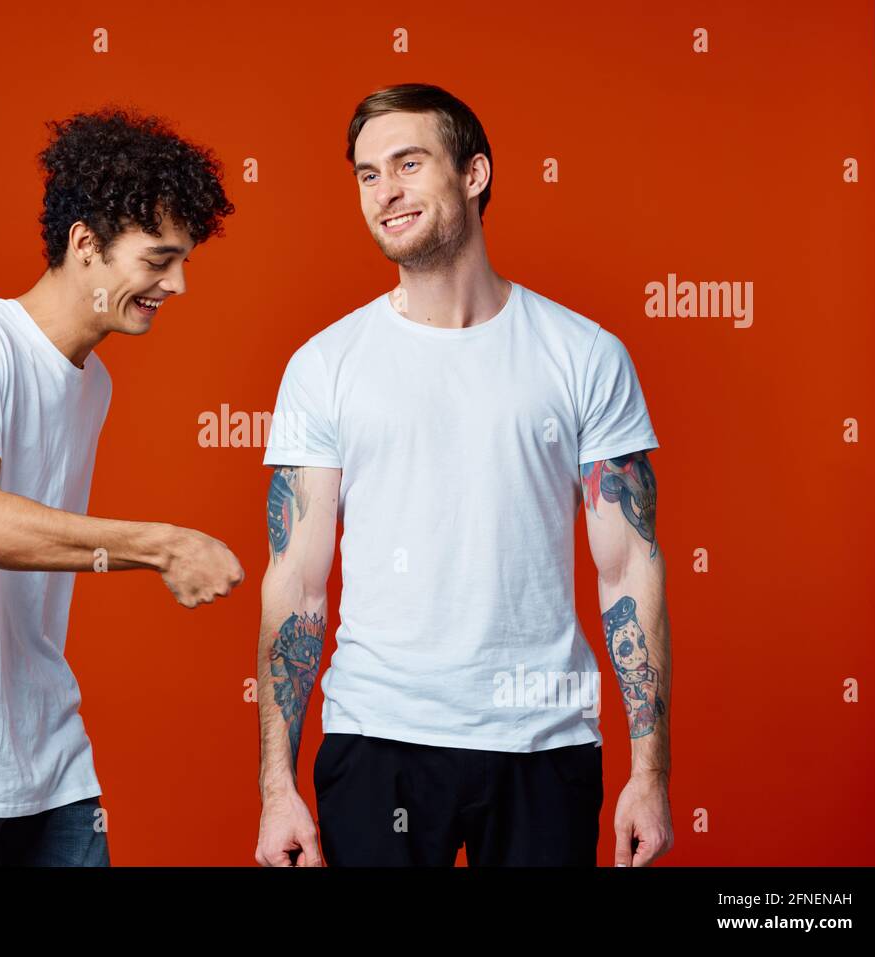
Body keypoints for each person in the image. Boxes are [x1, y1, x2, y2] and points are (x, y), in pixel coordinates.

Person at [254, 83, 673, 867]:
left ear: (474, 174)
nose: (386, 191)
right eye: (368, 174)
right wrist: (277, 786)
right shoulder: (324, 366)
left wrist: (649, 774)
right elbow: (297, 585)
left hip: (544, 738)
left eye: (408, 164)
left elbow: (629, 569)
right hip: (377, 740)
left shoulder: (585, 355)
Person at [0, 107, 244, 866]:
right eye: (159, 260)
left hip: (44, 754)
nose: (178, 283)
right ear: (85, 243)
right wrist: (160, 545)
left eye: (184, 260)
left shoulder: (94, 384)